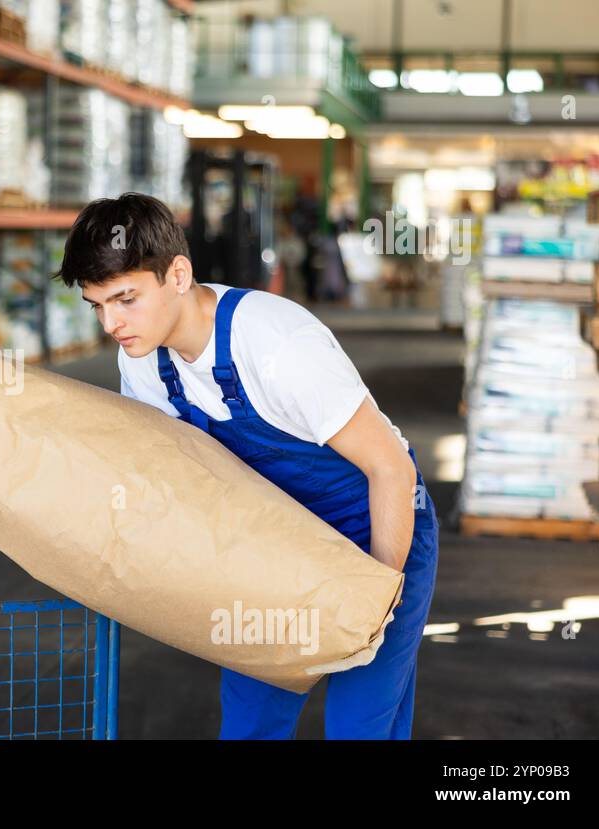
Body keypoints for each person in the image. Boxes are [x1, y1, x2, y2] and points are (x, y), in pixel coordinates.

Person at [56, 193, 439, 740]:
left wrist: (377, 592)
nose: (111, 323)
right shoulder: (143, 360)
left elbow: (390, 470)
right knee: (252, 720)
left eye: (126, 299)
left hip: (374, 529)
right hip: (276, 543)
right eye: (97, 306)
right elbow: (178, 476)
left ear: (179, 274)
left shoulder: (278, 344)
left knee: (360, 724)